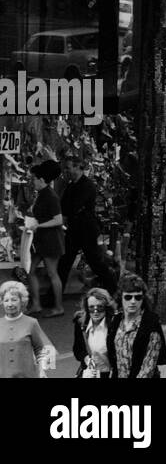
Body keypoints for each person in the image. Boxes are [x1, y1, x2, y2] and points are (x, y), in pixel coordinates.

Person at [57, 154, 118, 295]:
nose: (67, 171)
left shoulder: (87, 185)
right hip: (74, 229)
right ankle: (54, 296)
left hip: (86, 230)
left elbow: (72, 207)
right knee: (65, 263)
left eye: (69, 168)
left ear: (78, 167)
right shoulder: (72, 185)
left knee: (95, 263)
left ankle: (114, 288)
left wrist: (70, 210)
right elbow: (65, 206)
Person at [109, 274, 166, 379]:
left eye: (138, 297)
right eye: (128, 297)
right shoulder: (116, 320)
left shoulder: (151, 323)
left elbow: (149, 366)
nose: (133, 301)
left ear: (143, 299)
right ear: (121, 298)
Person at [26, 159, 65, 317]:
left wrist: (38, 225)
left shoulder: (50, 195)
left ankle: (59, 307)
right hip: (41, 240)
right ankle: (36, 304)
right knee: (30, 270)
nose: (33, 181)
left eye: (34, 178)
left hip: (51, 240)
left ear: (41, 179)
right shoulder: (42, 194)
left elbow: (58, 220)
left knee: (52, 273)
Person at [0, 281, 55, 378]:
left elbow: (41, 350)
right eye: (6, 300)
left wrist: (42, 371)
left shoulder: (32, 322)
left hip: (27, 375)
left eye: (14, 300)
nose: (10, 304)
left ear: (22, 301)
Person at [71, 287, 116, 377]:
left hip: (110, 373)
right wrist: (86, 359)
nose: (95, 312)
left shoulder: (114, 325)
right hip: (90, 373)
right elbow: (78, 349)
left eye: (100, 307)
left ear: (106, 307)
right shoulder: (81, 324)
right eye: (91, 307)